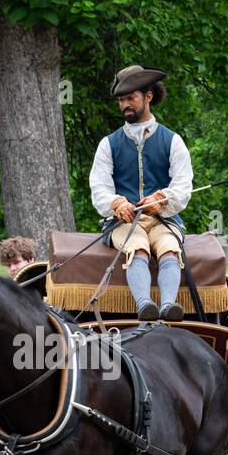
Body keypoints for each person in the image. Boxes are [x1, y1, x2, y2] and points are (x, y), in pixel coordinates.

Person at [88, 64, 193, 322]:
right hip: (123, 221)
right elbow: (98, 186)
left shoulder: (173, 140)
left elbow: (183, 186)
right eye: (121, 100)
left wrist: (162, 198)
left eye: (130, 98)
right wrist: (116, 203)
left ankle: (169, 306)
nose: (125, 104)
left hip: (163, 219)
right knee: (137, 247)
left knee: (169, 248)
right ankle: (144, 305)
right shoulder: (108, 144)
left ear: (148, 97)